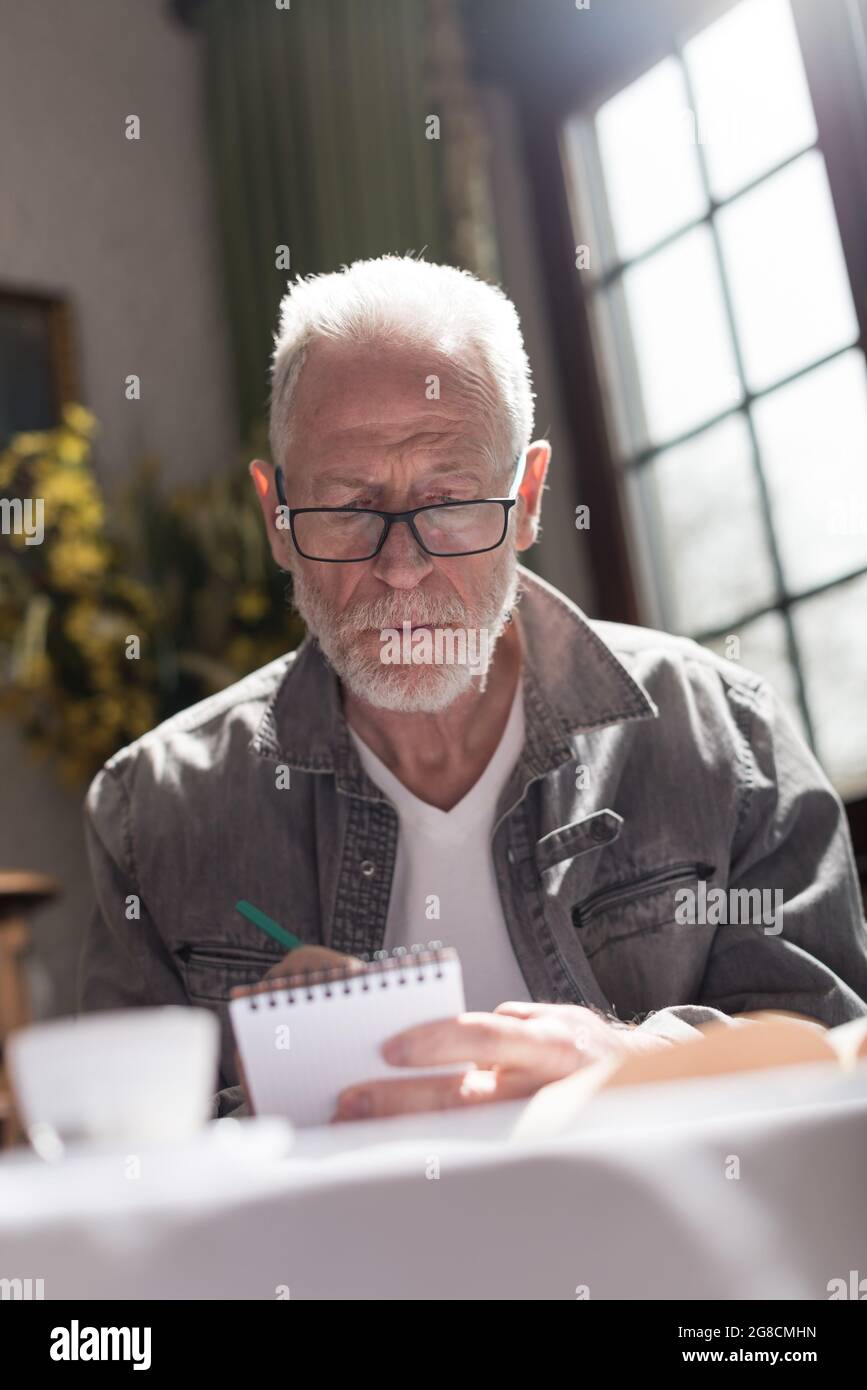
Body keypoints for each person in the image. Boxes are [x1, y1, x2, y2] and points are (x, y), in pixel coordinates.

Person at [79, 255, 867, 1122]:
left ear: (527, 498)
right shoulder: (152, 813)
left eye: (449, 502)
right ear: (277, 520)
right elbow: (122, 1167)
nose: (401, 569)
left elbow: (834, 1066)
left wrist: (631, 1058)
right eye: (347, 507)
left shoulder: (726, 737)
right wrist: (265, 1119)